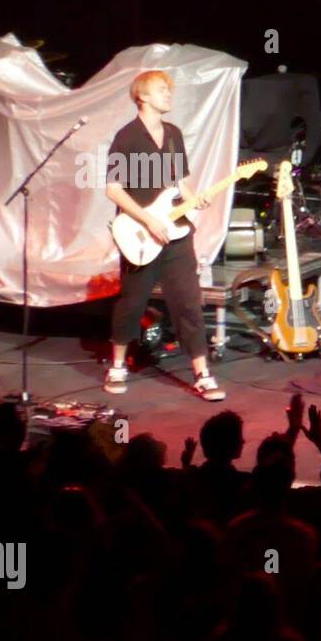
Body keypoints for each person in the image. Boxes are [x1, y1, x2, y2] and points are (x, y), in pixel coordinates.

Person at [103, 70, 225, 401]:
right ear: (142, 96)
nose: (168, 95)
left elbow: (180, 182)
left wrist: (194, 198)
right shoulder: (126, 137)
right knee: (132, 302)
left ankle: (202, 373)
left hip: (176, 233)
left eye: (169, 90)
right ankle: (117, 366)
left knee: (188, 302)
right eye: (161, 90)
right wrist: (146, 219)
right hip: (139, 232)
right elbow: (113, 189)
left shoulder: (173, 134)